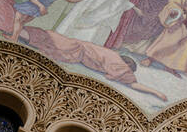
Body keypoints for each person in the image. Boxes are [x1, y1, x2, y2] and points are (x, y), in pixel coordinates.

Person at [19, 26, 166, 99]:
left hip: (77, 45)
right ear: (128, 65)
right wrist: (156, 92)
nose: (127, 72)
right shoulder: (121, 66)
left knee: (48, 38)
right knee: (49, 43)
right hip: (76, 51)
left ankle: (17, 30)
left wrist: (156, 92)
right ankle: (17, 31)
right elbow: (128, 82)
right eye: (130, 70)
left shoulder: (113, 54)